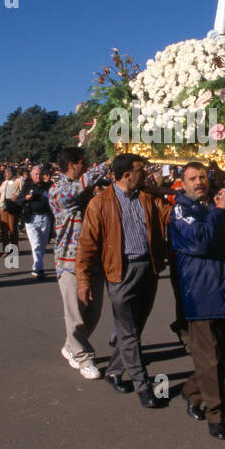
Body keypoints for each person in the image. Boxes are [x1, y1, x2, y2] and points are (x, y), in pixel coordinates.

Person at [76, 153, 171, 409]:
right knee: (128, 331)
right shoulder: (100, 203)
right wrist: (83, 281)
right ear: (127, 173)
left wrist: (165, 191)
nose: (146, 173)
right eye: (142, 170)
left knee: (135, 327)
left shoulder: (148, 197)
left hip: (148, 269)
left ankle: (114, 372)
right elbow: (86, 245)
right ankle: (143, 385)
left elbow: (170, 217)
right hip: (120, 272)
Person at [172, 162, 225, 439]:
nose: (199, 182)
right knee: (210, 358)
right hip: (200, 294)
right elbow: (200, 241)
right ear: (183, 183)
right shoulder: (181, 210)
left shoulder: (210, 205)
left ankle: (191, 390)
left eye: (203, 176)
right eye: (192, 178)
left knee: (220, 351)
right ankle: (216, 415)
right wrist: (219, 211)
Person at [49, 147, 111, 380]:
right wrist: (106, 163)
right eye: (83, 163)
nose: (86, 166)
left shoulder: (89, 190)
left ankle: (71, 346)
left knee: (93, 312)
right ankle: (84, 357)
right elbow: (76, 190)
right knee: (75, 314)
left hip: (94, 259)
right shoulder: (57, 190)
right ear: (71, 165)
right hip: (69, 260)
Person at [20, 165, 53, 277]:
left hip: (45, 217)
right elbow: (19, 200)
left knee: (43, 244)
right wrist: (26, 198)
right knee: (36, 243)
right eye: (36, 174)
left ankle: (38, 264)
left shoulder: (47, 186)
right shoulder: (28, 186)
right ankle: (38, 268)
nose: (38, 176)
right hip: (32, 218)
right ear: (31, 175)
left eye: (40, 174)